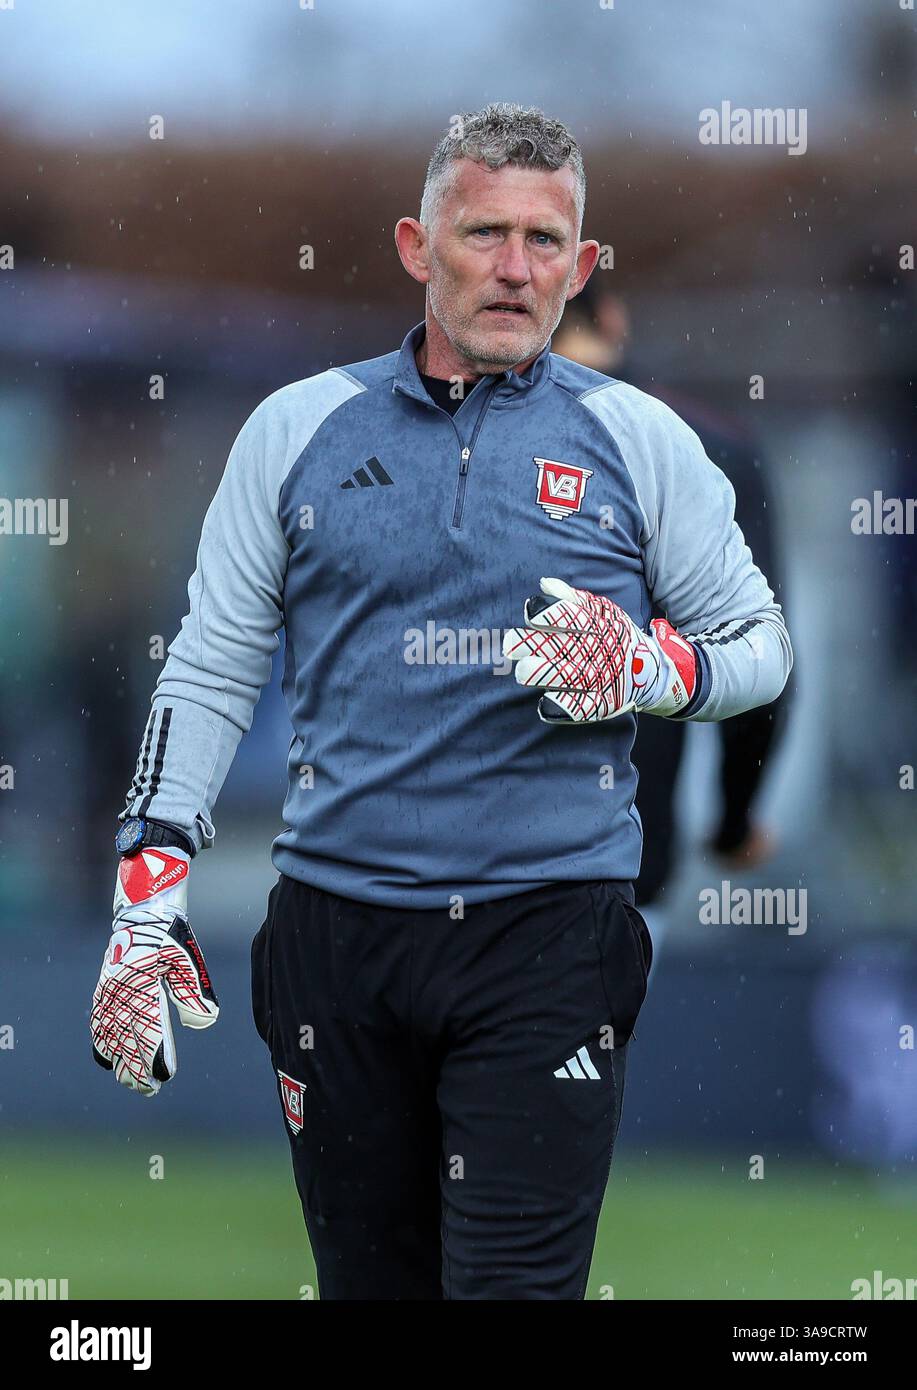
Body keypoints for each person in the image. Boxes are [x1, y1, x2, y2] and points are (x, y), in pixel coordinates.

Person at [90, 103, 792, 1300]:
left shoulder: (644, 440)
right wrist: (144, 902)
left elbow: (758, 645)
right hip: (334, 935)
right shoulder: (295, 428)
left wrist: (652, 670)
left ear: (577, 265)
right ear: (418, 247)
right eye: (483, 235)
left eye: (543, 241)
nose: (514, 269)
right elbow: (210, 663)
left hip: (548, 934)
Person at [552, 289, 792, 912]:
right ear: (613, 318)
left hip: (446, 861)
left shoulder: (457, 431)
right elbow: (756, 660)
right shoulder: (708, 441)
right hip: (624, 855)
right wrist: (734, 817)